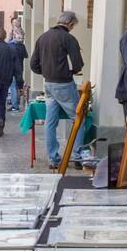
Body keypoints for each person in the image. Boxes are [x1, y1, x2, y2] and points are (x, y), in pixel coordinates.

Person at [31, 10, 89, 168]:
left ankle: (53, 158)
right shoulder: (69, 38)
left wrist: (47, 72)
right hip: (64, 84)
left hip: (48, 84)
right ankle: (77, 156)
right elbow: (78, 64)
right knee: (78, 118)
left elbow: (33, 65)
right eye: (73, 26)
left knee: (50, 121)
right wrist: (68, 72)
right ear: (70, 24)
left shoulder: (42, 37)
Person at [7, 33, 28, 112]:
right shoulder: (22, 46)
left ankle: (15, 106)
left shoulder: (11, 46)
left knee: (13, 87)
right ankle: (16, 103)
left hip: (12, 69)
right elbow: (26, 56)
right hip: (20, 68)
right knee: (18, 86)